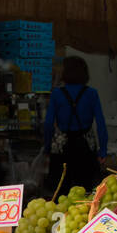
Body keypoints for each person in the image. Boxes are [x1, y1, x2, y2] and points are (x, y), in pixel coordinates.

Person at [43, 56, 108, 192]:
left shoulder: (56, 94)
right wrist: (103, 151)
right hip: (85, 147)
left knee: (59, 190)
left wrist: (47, 148)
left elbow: (48, 124)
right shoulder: (91, 94)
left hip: (61, 147)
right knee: (85, 190)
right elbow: (101, 124)